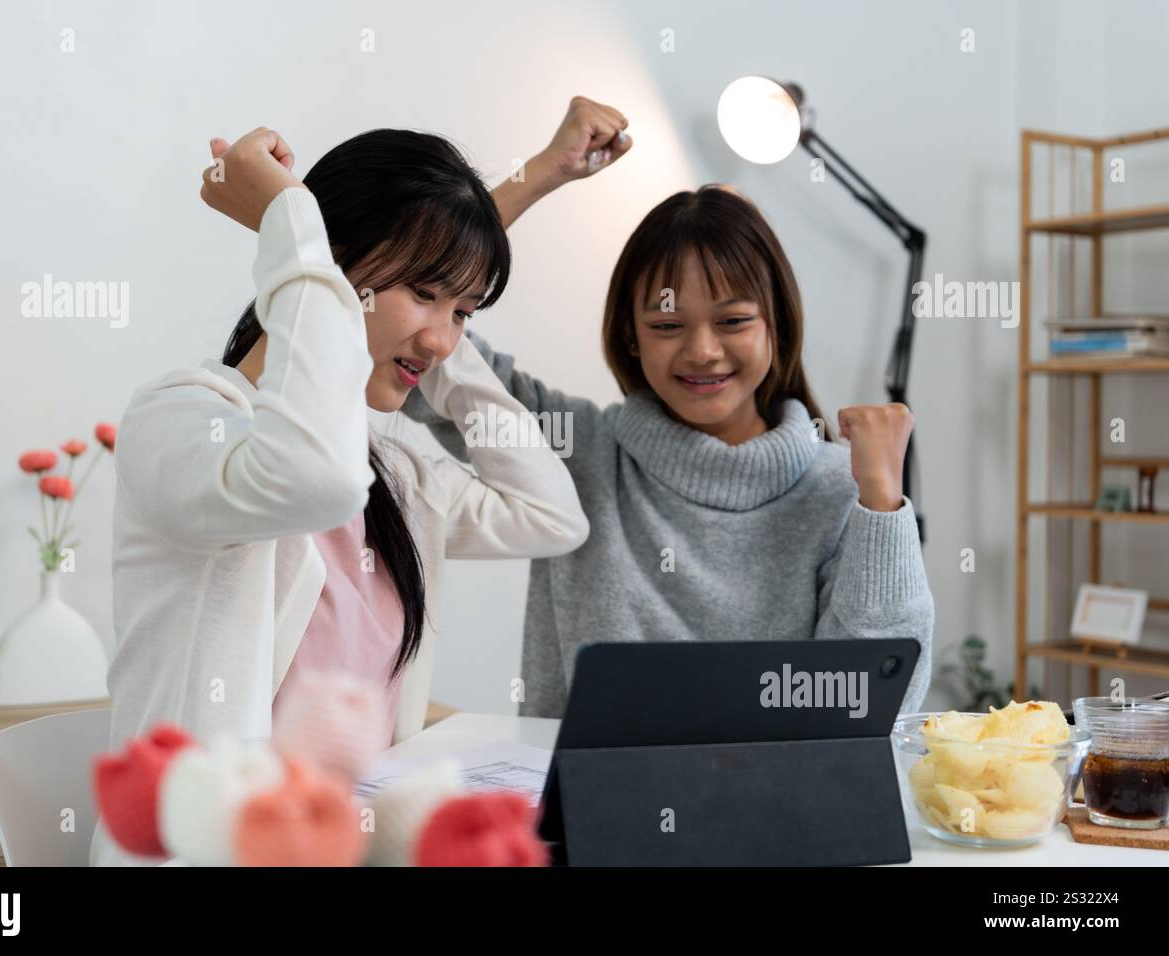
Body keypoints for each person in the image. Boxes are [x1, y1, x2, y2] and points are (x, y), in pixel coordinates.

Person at [91, 125, 588, 865]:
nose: (448, 336)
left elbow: (553, 516)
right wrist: (290, 224)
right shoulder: (185, 421)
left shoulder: (394, 474)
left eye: (465, 312)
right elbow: (311, 478)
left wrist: (431, 349)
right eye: (423, 291)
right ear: (326, 274)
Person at [405, 97, 934, 719]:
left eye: (733, 320)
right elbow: (417, 341)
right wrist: (542, 171)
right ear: (630, 334)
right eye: (667, 324)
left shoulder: (839, 491)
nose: (703, 351)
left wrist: (880, 499)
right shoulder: (573, 448)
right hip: (586, 807)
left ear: (776, 325)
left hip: (772, 812)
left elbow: (874, 702)